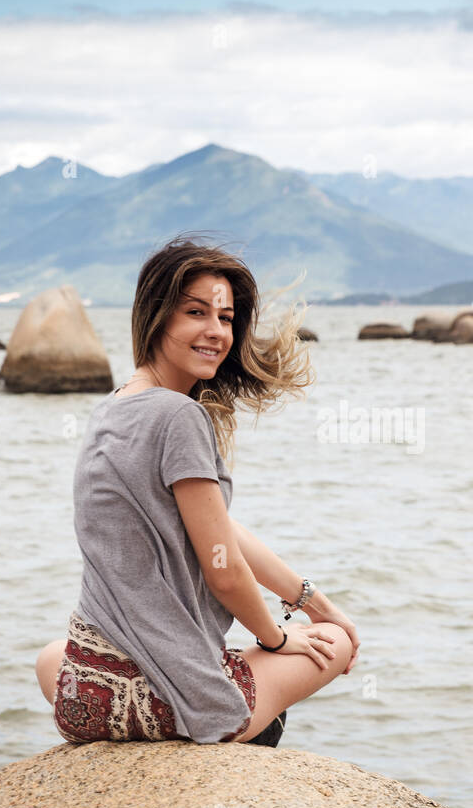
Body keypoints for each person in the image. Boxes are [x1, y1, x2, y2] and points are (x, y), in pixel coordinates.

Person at [35, 234, 359, 746]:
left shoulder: (112, 408)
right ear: (157, 316)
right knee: (334, 643)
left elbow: (218, 529)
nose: (216, 332)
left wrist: (310, 599)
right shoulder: (180, 416)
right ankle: (243, 732)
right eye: (196, 313)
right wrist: (276, 639)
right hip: (171, 705)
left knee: (52, 655)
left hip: (85, 700)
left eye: (226, 318)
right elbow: (224, 568)